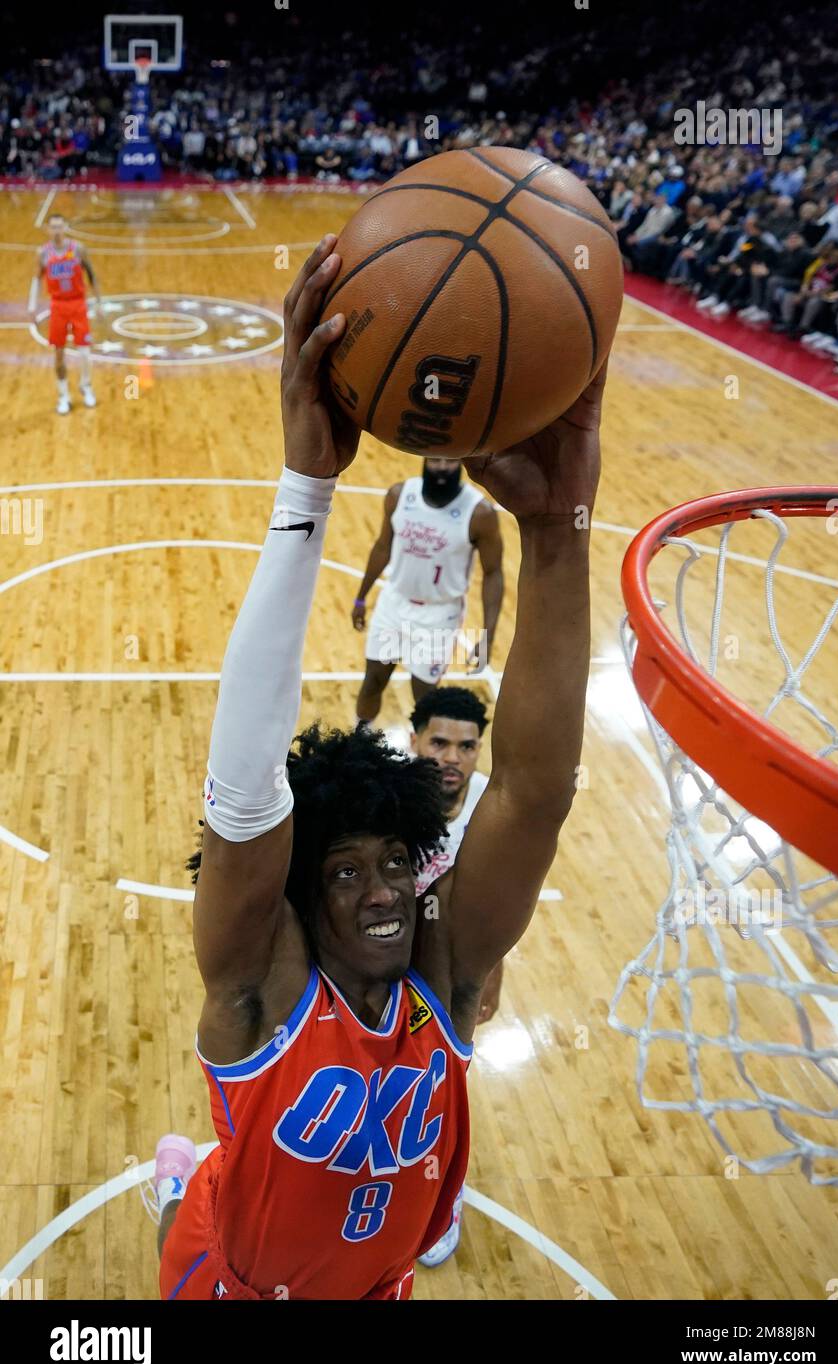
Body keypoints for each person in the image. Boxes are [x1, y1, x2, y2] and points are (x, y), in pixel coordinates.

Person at [151, 234, 605, 1300]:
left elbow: (534, 794)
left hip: (378, 1289)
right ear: (303, 893)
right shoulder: (259, 991)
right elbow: (245, 797)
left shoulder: (441, 974)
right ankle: (183, 1186)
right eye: (344, 870)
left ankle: (190, 1177)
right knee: (198, 1211)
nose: (382, 889)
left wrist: (558, 530)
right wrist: (306, 485)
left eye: (392, 861)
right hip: (236, 1287)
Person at [408, 685, 503, 1269]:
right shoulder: (384, 796)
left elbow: (499, 902)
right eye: (438, 741)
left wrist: (492, 972)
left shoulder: (492, 812)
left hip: (452, 975)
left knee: (443, 1089)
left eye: (466, 746)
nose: (451, 757)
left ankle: (445, 1197)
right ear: (414, 739)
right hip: (380, 967)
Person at [352, 458, 503, 726]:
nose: (443, 467)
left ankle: (423, 760)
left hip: (438, 616)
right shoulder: (400, 496)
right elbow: (382, 548)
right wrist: (361, 597)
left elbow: (493, 573)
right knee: (373, 681)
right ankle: (359, 739)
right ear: (423, 459)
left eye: (450, 460)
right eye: (436, 459)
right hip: (394, 604)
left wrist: (487, 637)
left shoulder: (479, 514)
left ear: (460, 464)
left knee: (424, 697)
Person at [31, 212, 102, 415]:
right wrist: (32, 307)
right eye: (53, 227)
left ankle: (85, 385)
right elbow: (36, 279)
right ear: (48, 229)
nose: (56, 231)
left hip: (78, 304)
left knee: (85, 352)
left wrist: (99, 302)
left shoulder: (78, 249)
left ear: (65, 227)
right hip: (58, 306)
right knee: (59, 354)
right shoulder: (43, 253)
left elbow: (92, 275)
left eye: (59, 226)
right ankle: (63, 396)